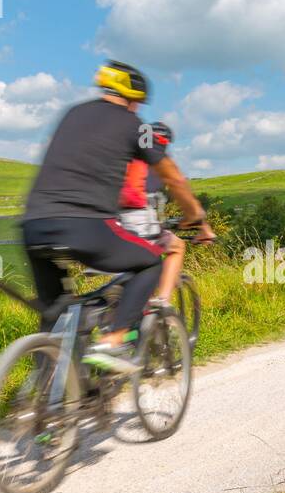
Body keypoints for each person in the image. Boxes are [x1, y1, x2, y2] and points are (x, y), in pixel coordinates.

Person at [21, 61, 214, 374]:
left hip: (34, 226)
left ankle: (43, 401)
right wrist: (196, 214)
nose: (137, 109)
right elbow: (173, 177)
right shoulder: (133, 125)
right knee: (151, 261)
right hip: (85, 225)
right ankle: (114, 340)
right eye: (138, 103)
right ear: (133, 99)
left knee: (55, 315)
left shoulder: (73, 114)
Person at [117, 121, 190, 305]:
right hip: (139, 224)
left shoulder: (126, 157)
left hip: (111, 224)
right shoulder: (156, 165)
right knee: (177, 247)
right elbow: (156, 201)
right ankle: (163, 303)